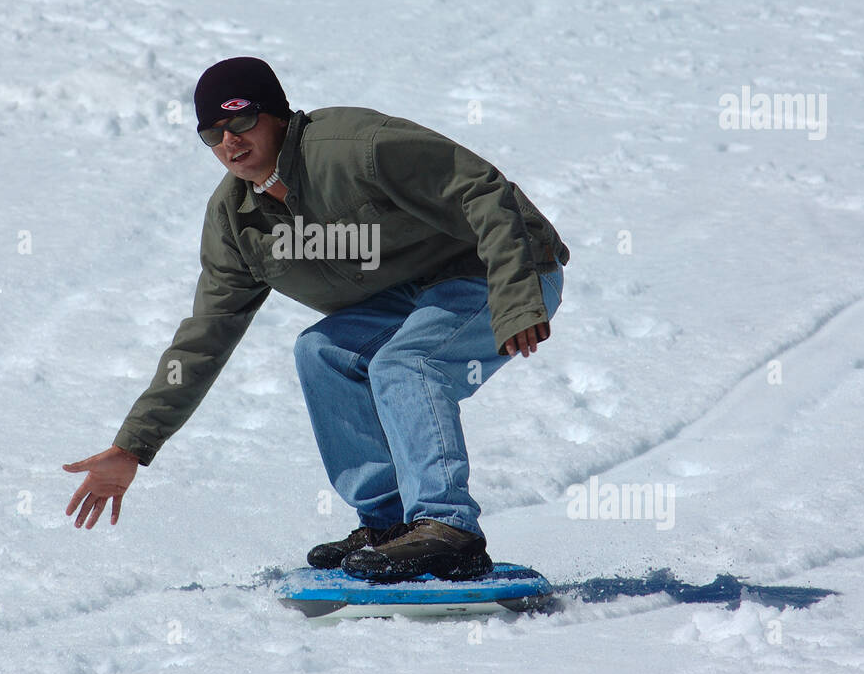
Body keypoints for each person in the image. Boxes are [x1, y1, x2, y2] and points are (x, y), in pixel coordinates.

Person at [65, 57, 569, 582]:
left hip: (502, 267)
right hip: (417, 294)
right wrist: (134, 446)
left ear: (278, 115)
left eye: (240, 122)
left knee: (407, 361)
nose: (229, 143)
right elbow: (203, 338)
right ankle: (390, 526)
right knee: (323, 353)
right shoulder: (238, 222)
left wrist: (514, 295)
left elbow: (481, 188)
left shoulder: (355, 150)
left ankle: (448, 529)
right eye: (212, 134)